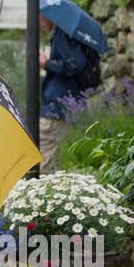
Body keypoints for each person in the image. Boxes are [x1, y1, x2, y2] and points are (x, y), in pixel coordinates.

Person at [38, 15, 91, 168]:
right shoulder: (62, 33)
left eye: (40, 18)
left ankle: (39, 190)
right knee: (52, 162)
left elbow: (73, 64)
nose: (39, 23)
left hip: (56, 107)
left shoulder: (63, 33)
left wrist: (46, 63)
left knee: (41, 161)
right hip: (60, 106)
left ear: (48, 16)